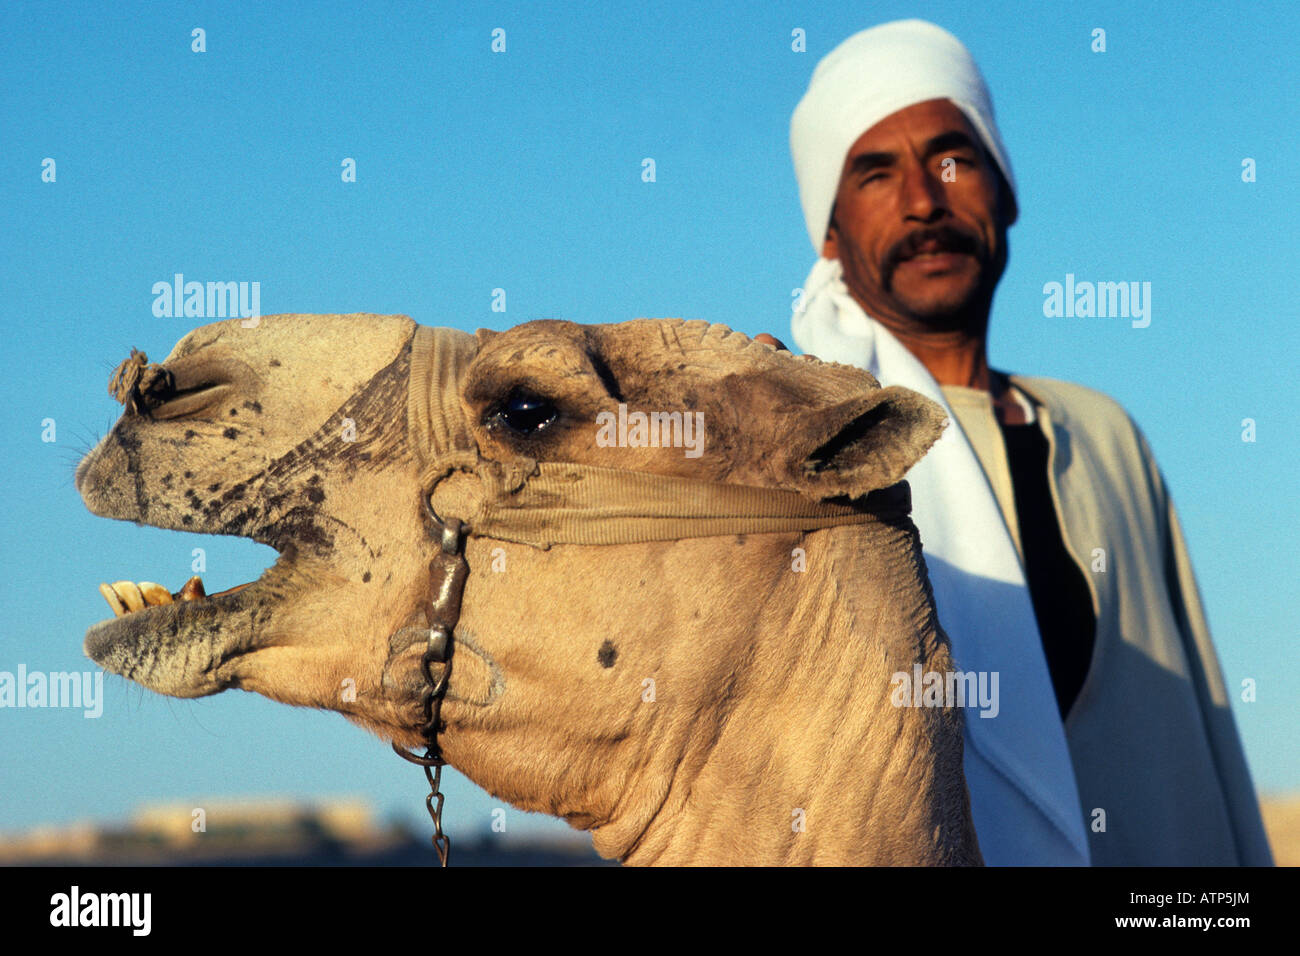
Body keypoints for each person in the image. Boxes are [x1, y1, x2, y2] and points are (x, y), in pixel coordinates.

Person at [762, 19, 1272, 865]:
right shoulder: (814, 455)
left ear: (1005, 190)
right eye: (876, 173)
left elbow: (1205, 744)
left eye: (953, 159)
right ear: (829, 231)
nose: (925, 200)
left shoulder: (1103, 436)